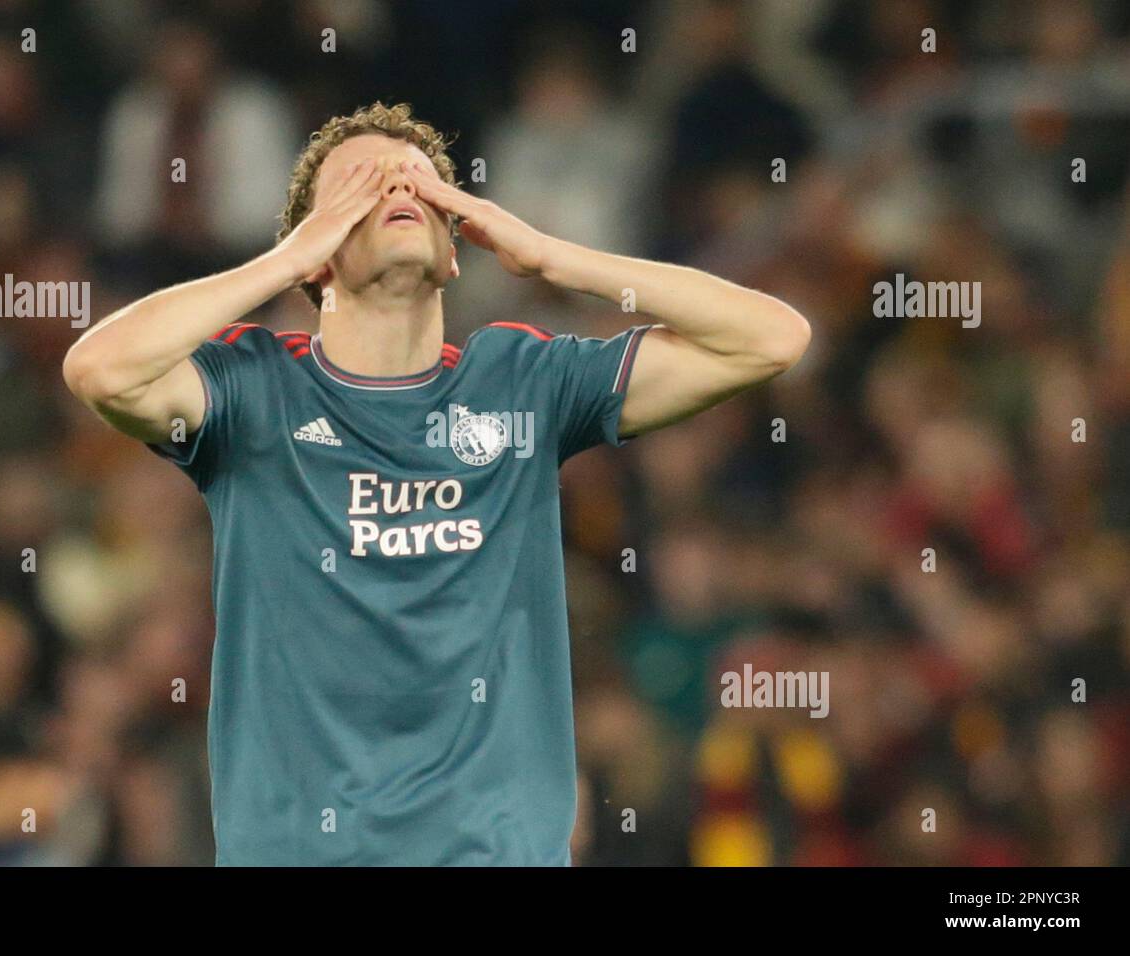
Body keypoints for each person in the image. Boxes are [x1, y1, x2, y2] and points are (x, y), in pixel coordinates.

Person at [62, 102, 810, 865]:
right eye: (358, 186)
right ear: (313, 250)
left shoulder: (522, 383)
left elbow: (770, 339)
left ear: (455, 248)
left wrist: (553, 258)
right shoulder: (253, 389)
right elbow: (99, 370)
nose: (393, 193)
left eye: (416, 184)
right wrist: (278, 265)